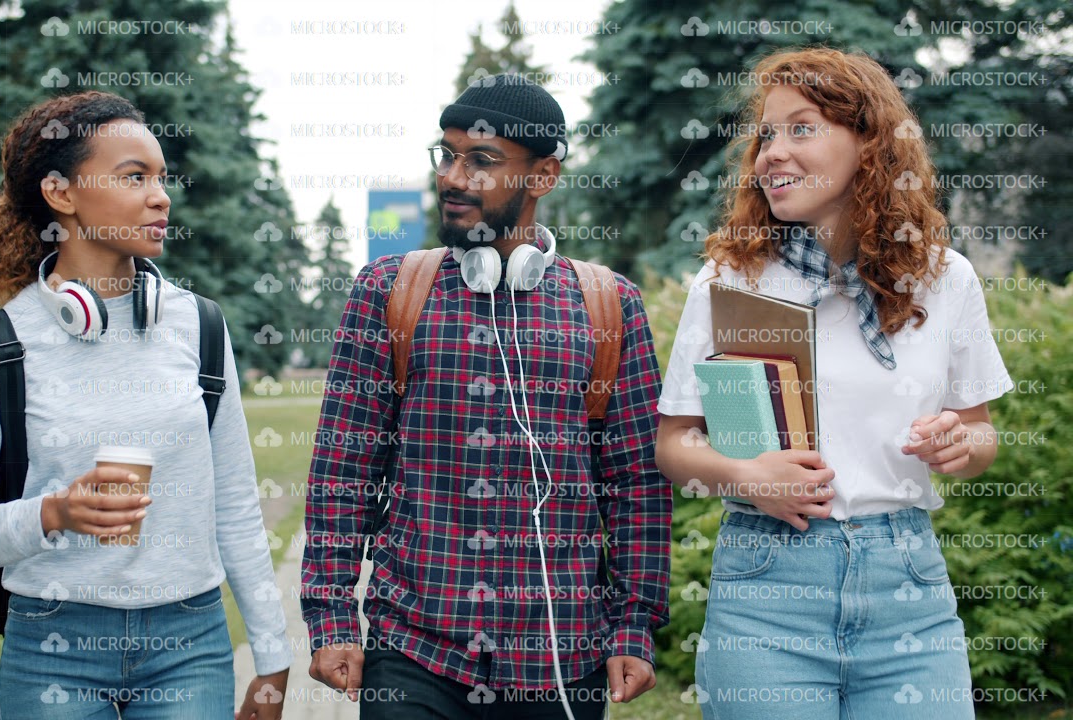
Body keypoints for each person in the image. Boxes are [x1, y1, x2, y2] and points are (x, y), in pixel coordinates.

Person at [300, 74, 672, 720]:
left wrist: (634, 624)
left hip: (559, 654)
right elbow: (344, 469)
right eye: (446, 156)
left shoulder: (610, 305)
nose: (453, 177)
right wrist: (332, 615)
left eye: (481, 160)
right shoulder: (390, 291)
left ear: (544, 175)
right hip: (415, 649)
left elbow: (636, 481)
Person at [656, 48, 1013, 718]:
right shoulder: (733, 279)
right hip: (767, 590)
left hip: (908, 590)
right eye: (766, 135)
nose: (771, 153)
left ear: (869, 144)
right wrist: (747, 477)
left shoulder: (946, 278)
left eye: (801, 128)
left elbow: (980, 430)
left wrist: (959, 443)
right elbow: (675, 444)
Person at [0, 91, 291, 719]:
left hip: (190, 642)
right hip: (52, 645)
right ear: (61, 194)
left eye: (162, 178)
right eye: (134, 177)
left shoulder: (200, 327)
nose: (161, 196)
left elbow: (233, 503)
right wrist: (54, 511)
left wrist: (271, 655)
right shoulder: (1, 347)